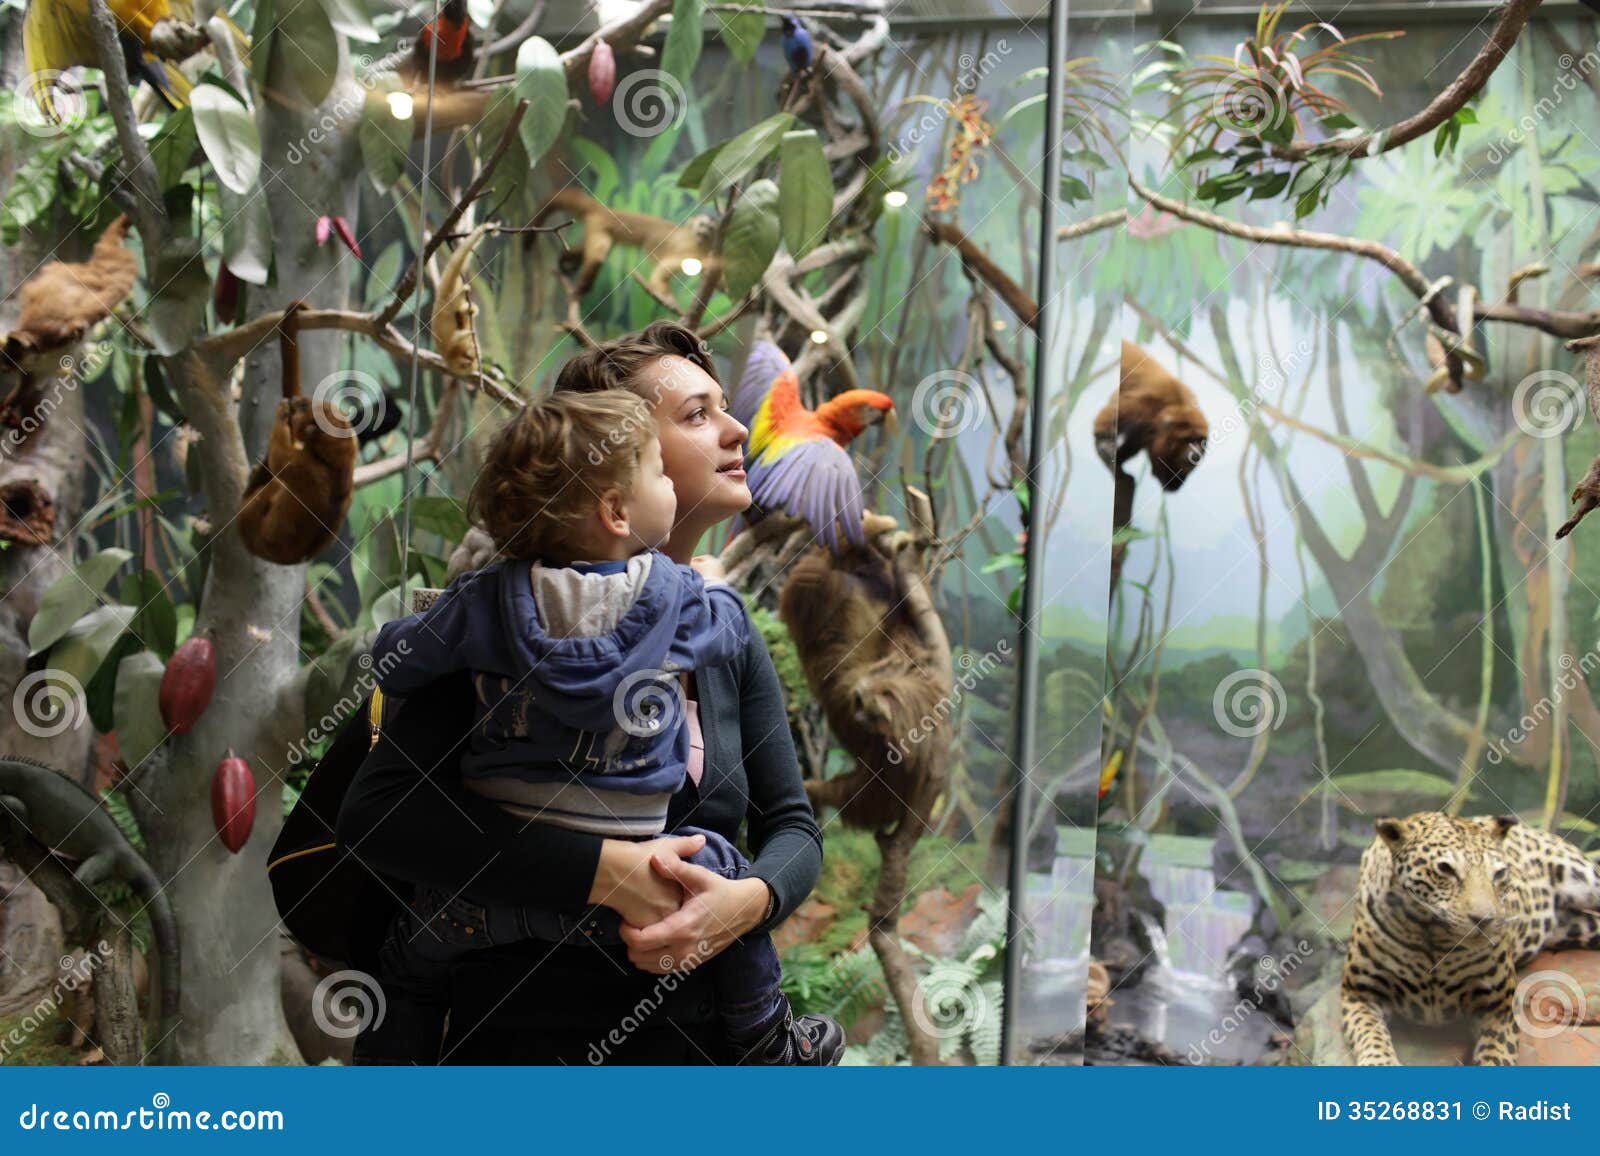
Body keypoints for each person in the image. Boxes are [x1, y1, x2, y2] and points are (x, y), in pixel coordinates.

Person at [337, 322, 828, 1064]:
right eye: (696, 416)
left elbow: (794, 825)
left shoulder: (726, 632)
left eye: (723, 407)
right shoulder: (503, 621)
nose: (735, 430)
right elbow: (378, 816)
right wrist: (603, 873)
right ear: (606, 471)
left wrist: (744, 905)